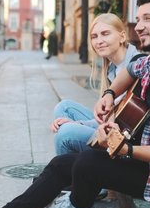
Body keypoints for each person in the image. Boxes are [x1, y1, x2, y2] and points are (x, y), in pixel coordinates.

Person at [0, 0, 150, 208]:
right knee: (61, 165)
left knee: (88, 163)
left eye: (148, 19)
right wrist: (108, 94)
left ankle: (73, 207)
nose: (138, 27)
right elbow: (129, 70)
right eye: (138, 19)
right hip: (147, 161)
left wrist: (125, 148)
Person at [51, 13, 139, 156]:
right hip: (112, 125)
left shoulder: (135, 65)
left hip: (122, 138)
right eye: (94, 36)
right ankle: (75, 166)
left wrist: (77, 125)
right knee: (64, 107)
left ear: (122, 37)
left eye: (105, 34)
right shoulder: (112, 68)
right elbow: (107, 118)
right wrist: (78, 124)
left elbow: (116, 121)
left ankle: (66, 172)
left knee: (64, 133)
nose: (99, 41)